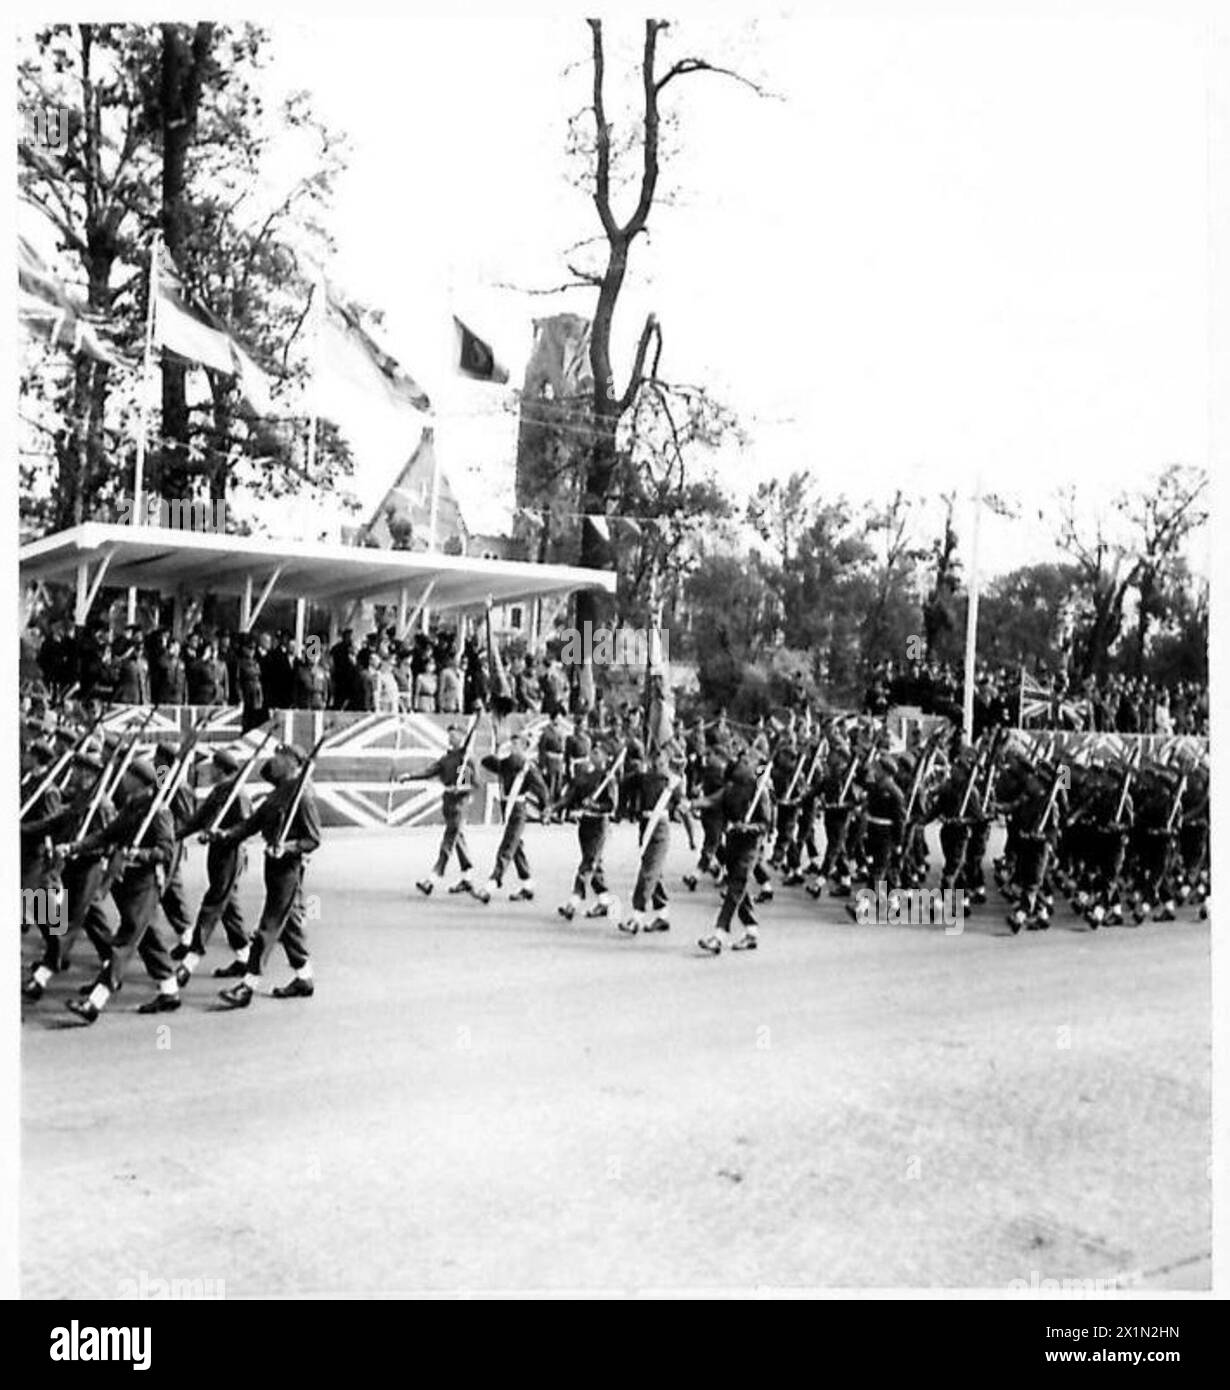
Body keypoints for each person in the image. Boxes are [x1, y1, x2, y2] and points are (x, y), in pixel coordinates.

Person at [61, 757, 180, 1022]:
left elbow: (166, 851)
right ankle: (170, 992)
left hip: (145, 883)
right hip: (124, 881)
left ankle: (94, 1002)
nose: (124, 778)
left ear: (140, 780)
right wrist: (74, 847)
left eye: (129, 774)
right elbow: (106, 835)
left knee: (124, 940)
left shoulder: (158, 811)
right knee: (148, 938)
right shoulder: (132, 806)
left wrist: (140, 854)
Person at [212, 743, 323, 1008]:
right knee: (290, 925)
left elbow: (313, 838)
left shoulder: (302, 796)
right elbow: (254, 823)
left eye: (279, 757)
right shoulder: (280, 792)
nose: (273, 760)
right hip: (272, 866)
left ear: (291, 763)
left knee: (268, 926)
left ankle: (248, 985)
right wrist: (228, 835)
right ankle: (304, 978)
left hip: (288, 867)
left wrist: (288, 847)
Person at [171, 747, 254, 987]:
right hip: (214, 853)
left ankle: (191, 957)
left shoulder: (236, 794)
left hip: (228, 854)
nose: (209, 770)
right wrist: (176, 834)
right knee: (228, 906)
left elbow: (244, 828)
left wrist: (219, 835)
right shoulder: (219, 790)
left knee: (211, 904)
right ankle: (244, 955)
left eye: (213, 766)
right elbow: (197, 819)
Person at [400, 721, 478, 895]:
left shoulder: (466, 760)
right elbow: (430, 771)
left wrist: (462, 788)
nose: (450, 737)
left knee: (448, 841)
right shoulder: (448, 758)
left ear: (461, 736)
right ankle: (467, 877)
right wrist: (410, 776)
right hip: (448, 801)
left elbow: (472, 784)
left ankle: (432, 879)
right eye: (449, 733)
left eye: (454, 733)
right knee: (458, 839)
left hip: (459, 804)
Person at [475, 732, 550, 904]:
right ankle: (528, 885)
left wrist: (546, 809)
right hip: (508, 809)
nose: (513, 747)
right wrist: (498, 749)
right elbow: (487, 761)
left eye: (516, 744)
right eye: (512, 744)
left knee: (507, 847)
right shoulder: (506, 763)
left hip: (517, 811)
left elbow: (542, 790)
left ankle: (491, 885)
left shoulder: (527, 767)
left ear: (525, 747)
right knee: (516, 847)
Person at [555, 741, 620, 921]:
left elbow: (612, 805)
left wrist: (596, 805)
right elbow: (569, 797)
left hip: (599, 826)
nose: (594, 754)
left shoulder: (609, 778)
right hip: (585, 825)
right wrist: (553, 808)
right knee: (594, 866)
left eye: (598, 752)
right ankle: (605, 902)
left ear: (607, 757)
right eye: (593, 751)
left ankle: (573, 903)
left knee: (587, 864)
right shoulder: (584, 776)